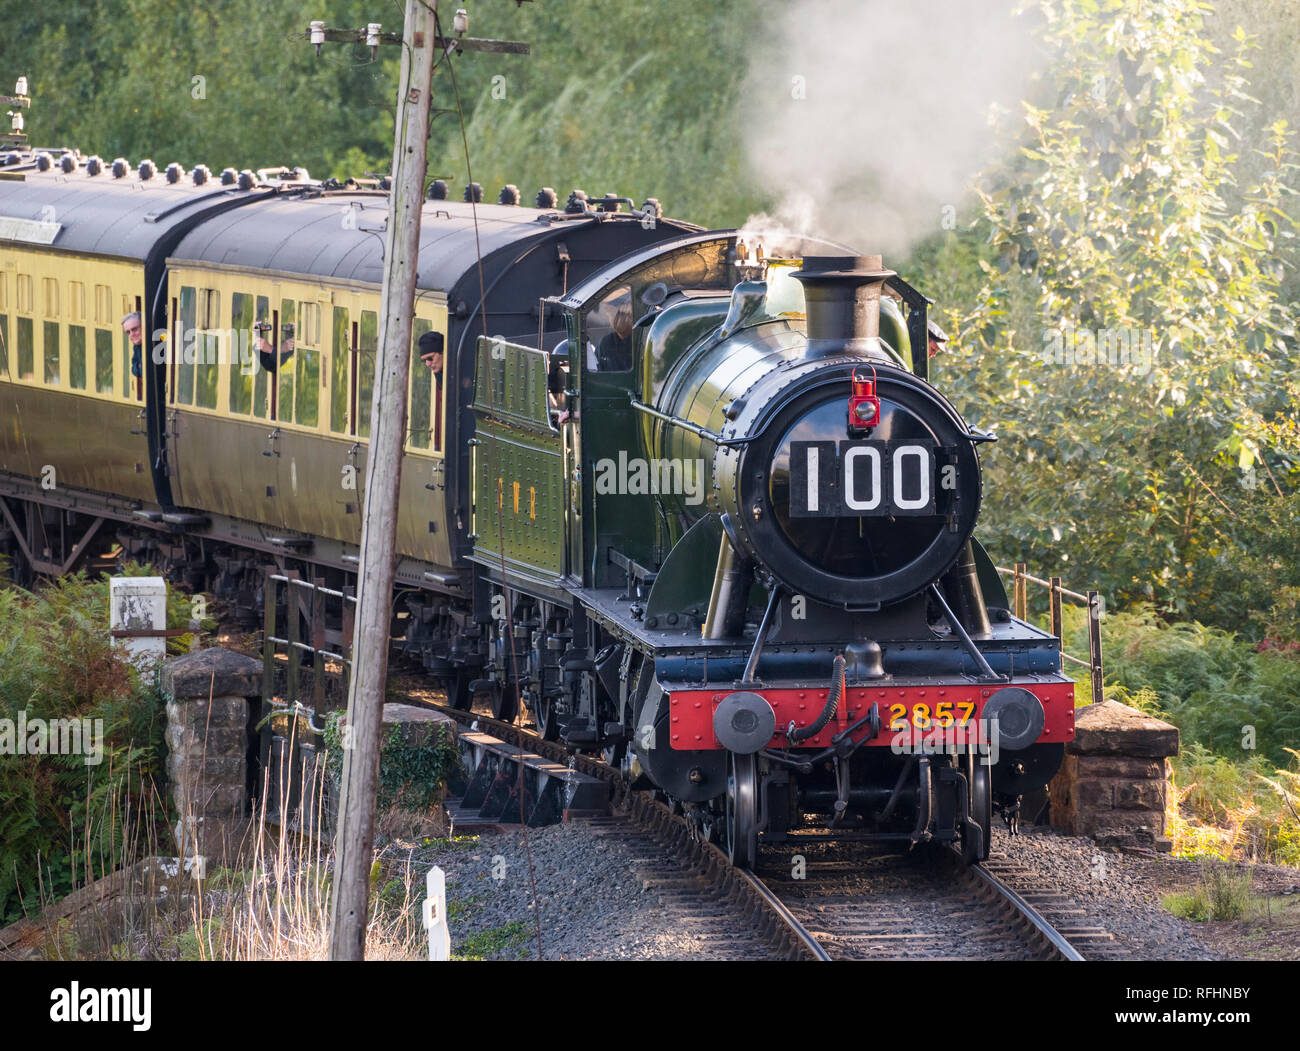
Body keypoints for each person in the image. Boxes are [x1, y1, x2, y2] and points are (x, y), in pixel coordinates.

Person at [418, 330, 444, 451]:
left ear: (442, 353)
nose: (428, 364)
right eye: (424, 361)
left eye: (430, 358)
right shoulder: (438, 373)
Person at [595, 303, 634, 372]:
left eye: (622, 314)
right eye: (612, 314)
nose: (618, 320)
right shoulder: (604, 343)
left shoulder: (643, 338)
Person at [122, 312, 143, 379]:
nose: (131, 335)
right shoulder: (137, 346)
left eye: (135, 329)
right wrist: (139, 367)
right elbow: (134, 369)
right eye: (128, 332)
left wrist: (140, 366)